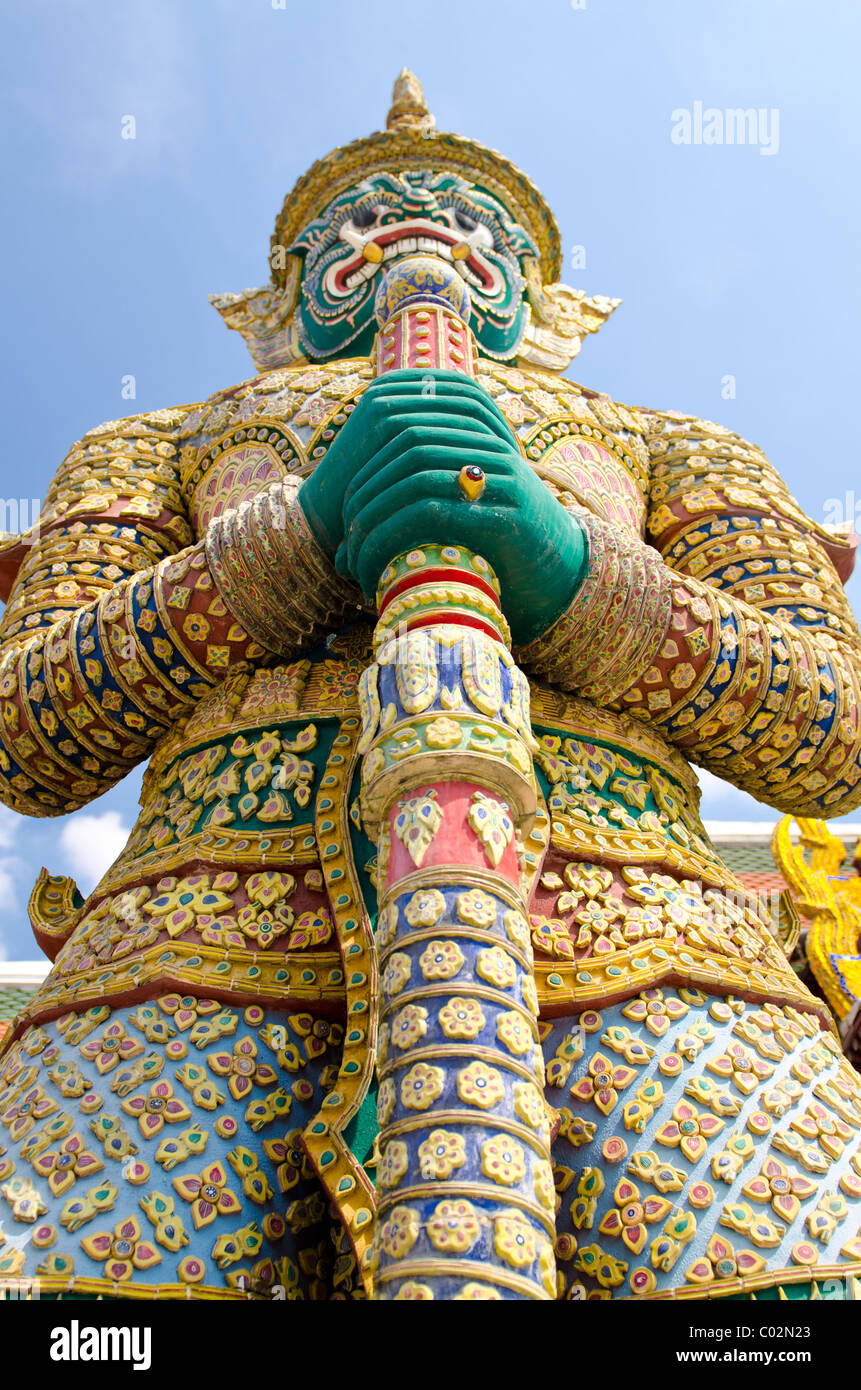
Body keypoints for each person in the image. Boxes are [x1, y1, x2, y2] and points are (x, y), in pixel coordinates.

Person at [0, 71, 860, 1302]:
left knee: (786, 1306)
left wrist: (571, 572)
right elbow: (28, 734)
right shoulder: (160, 441)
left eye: (478, 227)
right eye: (350, 228)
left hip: (653, 950)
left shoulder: (674, 444)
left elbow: (835, 731)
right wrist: (289, 543)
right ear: (282, 293)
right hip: (186, 957)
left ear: (545, 295)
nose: (417, 238)